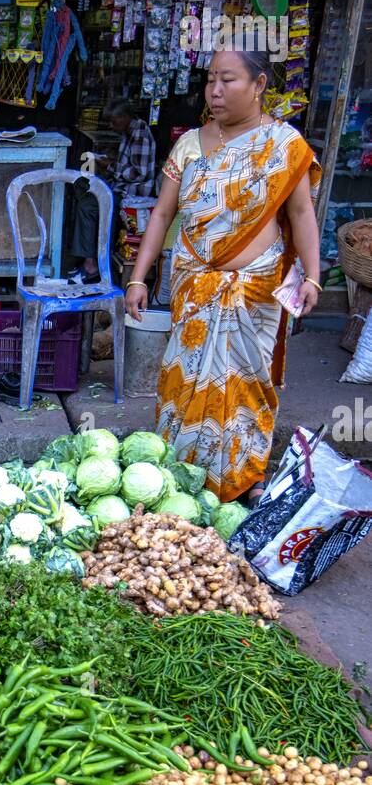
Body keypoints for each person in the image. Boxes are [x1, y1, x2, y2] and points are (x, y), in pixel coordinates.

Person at [125, 51, 321, 505]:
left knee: (248, 385)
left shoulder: (283, 145)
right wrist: (138, 278)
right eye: (210, 80)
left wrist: (312, 275)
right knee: (183, 382)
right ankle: (180, 476)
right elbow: (162, 213)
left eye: (227, 80)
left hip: (257, 290)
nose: (214, 91)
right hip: (195, 286)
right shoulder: (190, 144)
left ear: (258, 85)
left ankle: (244, 478)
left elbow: (301, 213)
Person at [68, 99, 156, 283]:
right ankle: (86, 257)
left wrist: (110, 167)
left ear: (125, 117)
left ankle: (90, 264)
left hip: (131, 195)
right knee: (81, 186)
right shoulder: (128, 133)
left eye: (114, 121)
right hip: (120, 187)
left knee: (88, 205)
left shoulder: (139, 133)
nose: (111, 125)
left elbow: (140, 172)